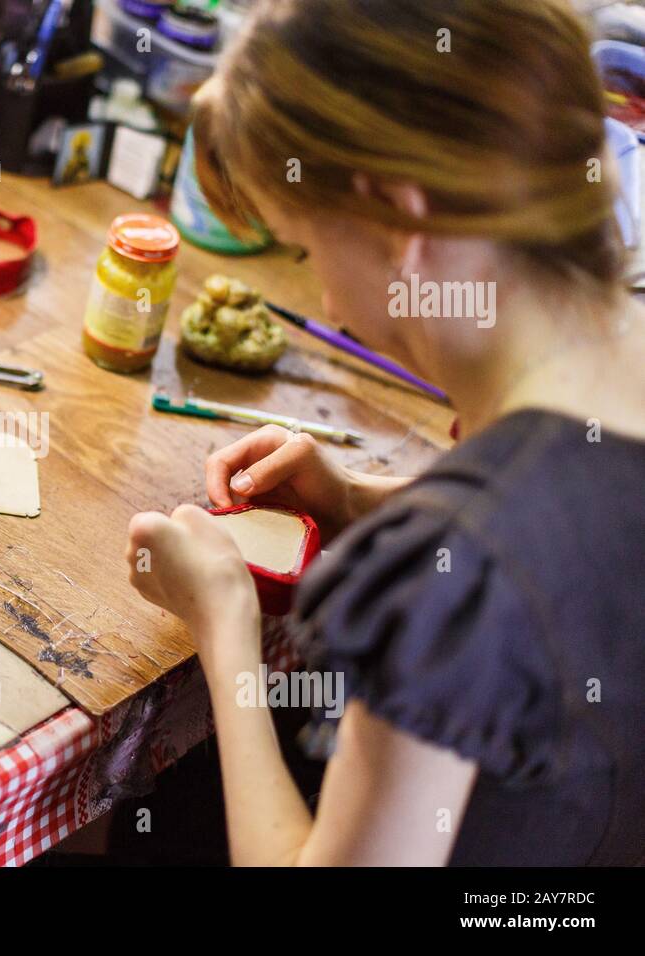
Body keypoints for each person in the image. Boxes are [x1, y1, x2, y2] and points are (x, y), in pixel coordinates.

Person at [126, 0, 645, 865]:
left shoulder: (450, 583)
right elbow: (570, 534)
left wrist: (225, 630)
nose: (326, 304)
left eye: (306, 250)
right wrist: (361, 501)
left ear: (402, 227)